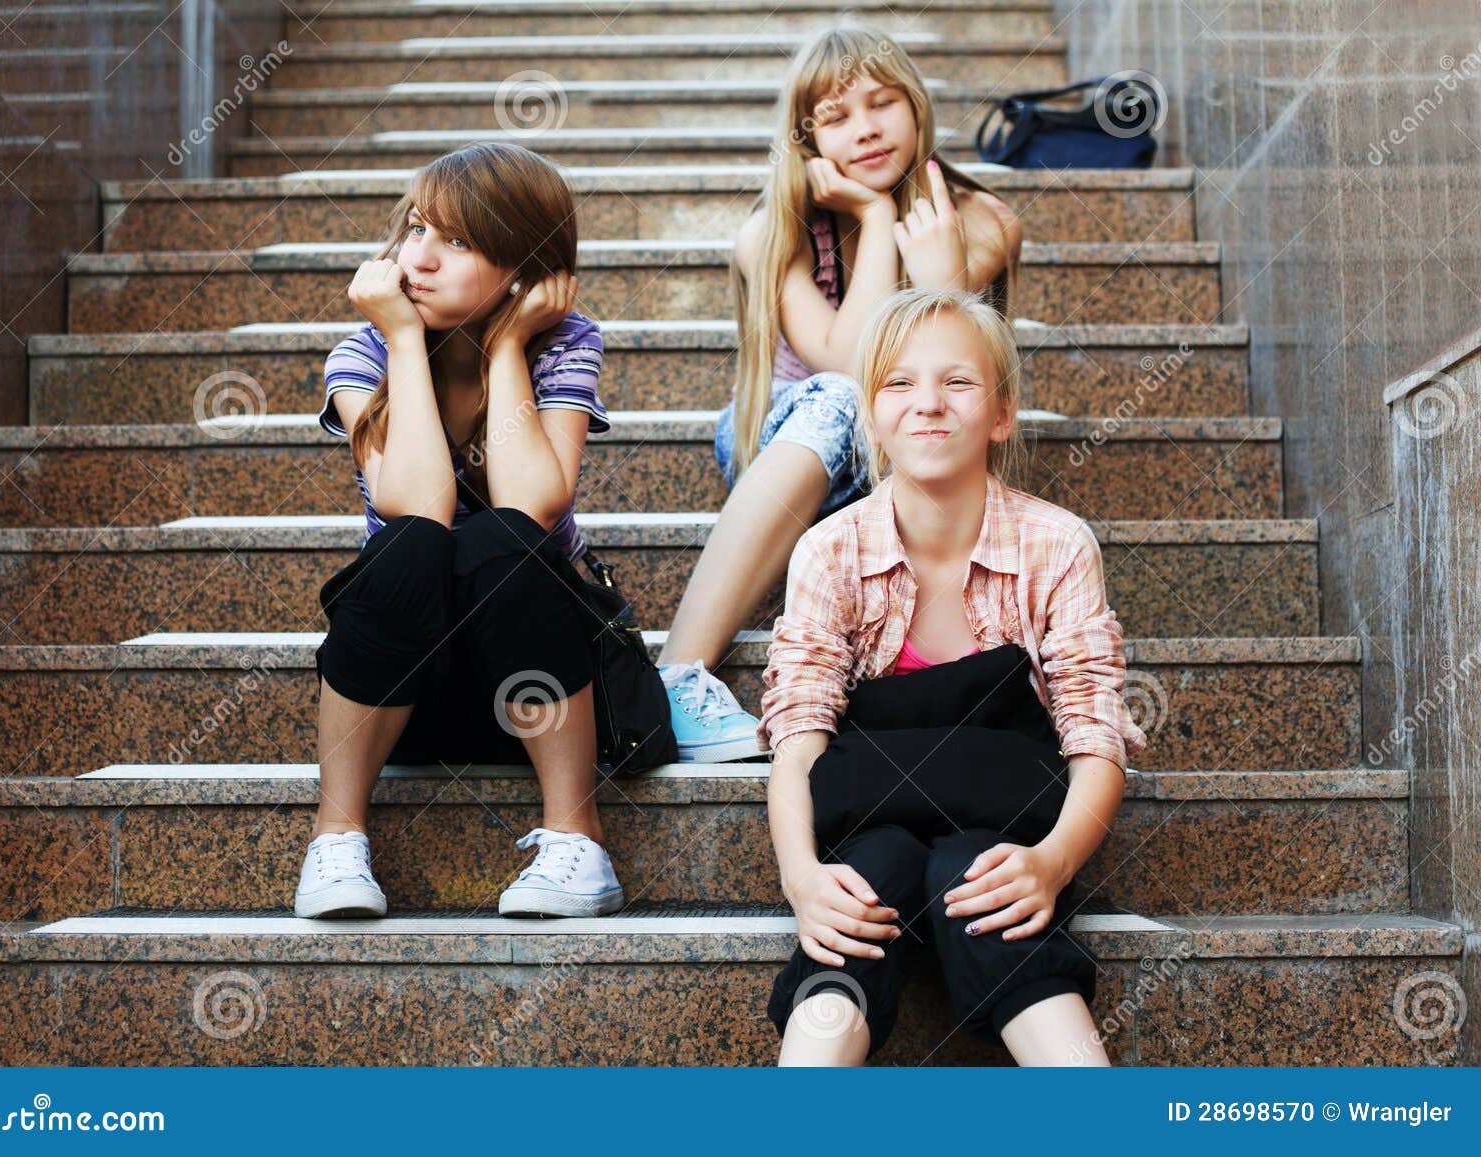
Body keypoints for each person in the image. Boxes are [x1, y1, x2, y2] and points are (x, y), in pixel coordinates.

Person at [760, 287, 1148, 1065]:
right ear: (870, 416)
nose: (929, 404)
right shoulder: (831, 551)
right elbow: (797, 736)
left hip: (1005, 817)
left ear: (1001, 414)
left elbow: (1094, 734)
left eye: (958, 383)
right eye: (899, 384)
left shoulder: (1058, 544)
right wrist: (803, 877)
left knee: (981, 882)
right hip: (869, 811)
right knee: (866, 884)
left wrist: (1052, 861)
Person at [655, 22, 1025, 761]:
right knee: (837, 397)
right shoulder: (775, 232)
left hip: (906, 458)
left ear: (917, 110)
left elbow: (942, 361)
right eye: (836, 116)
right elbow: (853, 364)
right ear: (806, 140)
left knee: (887, 401)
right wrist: (878, 217)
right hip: (786, 449)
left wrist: (926, 254)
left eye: (883, 103)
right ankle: (672, 677)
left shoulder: (980, 219)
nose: (866, 128)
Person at [291, 143, 625, 921]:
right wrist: (405, 343)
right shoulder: (364, 355)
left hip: (542, 689)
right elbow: (414, 506)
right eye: (416, 229)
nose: (420, 259)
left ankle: (577, 836)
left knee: (502, 539)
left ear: (522, 266)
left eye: (459, 241)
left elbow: (535, 503)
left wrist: (507, 343)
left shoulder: (563, 343)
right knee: (414, 547)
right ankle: (337, 834)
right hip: (406, 696)